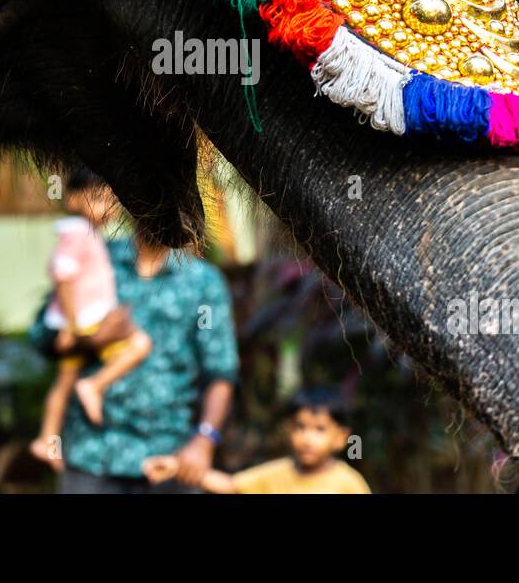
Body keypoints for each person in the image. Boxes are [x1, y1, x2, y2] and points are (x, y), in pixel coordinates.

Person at [29, 230, 239, 493]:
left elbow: (221, 372)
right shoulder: (96, 258)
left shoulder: (202, 282)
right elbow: (43, 335)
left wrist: (205, 440)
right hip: (92, 455)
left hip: (167, 456)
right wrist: (90, 339)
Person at [30, 169, 151, 468]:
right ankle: (94, 385)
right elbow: (63, 275)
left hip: (84, 320)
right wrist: (72, 325)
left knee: (64, 381)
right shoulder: (78, 234)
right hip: (86, 320)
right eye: (98, 199)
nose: (106, 208)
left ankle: (46, 438)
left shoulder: (87, 234)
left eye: (112, 201)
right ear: (72, 199)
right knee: (140, 344)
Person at [142, 387, 371, 494]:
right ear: (288, 430)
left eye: (320, 430)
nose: (307, 438)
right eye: (300, 428)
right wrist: (176, 467)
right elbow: (232, 485)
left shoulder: (348, 483)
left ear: (341, 438)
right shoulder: (277, 473)